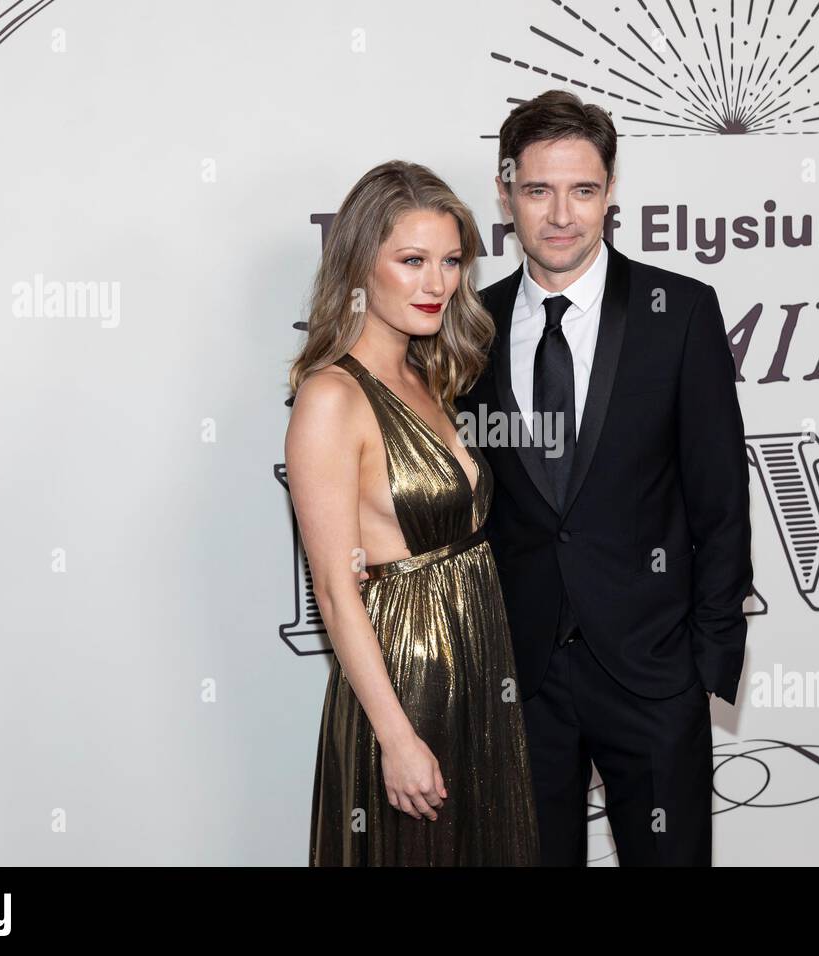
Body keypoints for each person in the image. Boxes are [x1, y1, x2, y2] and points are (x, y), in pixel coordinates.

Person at [455, 90, 753, 866]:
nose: (560, 214)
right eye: (538, 190)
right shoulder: (468, 329)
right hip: (521, 680)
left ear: (610, 191)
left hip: (654, 675)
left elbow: (720, 499)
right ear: (505, 189)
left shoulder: (678, 312)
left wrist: (706, 665)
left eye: (582, 190)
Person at [285, 160, 539, 866]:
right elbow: (336, 594)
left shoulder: (432, 374)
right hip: (408, 674)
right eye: (413, 261)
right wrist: (396, 739)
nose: (438, 283)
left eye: (451, 261)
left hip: (479, 656)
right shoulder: (331, 398)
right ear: (361, 265)